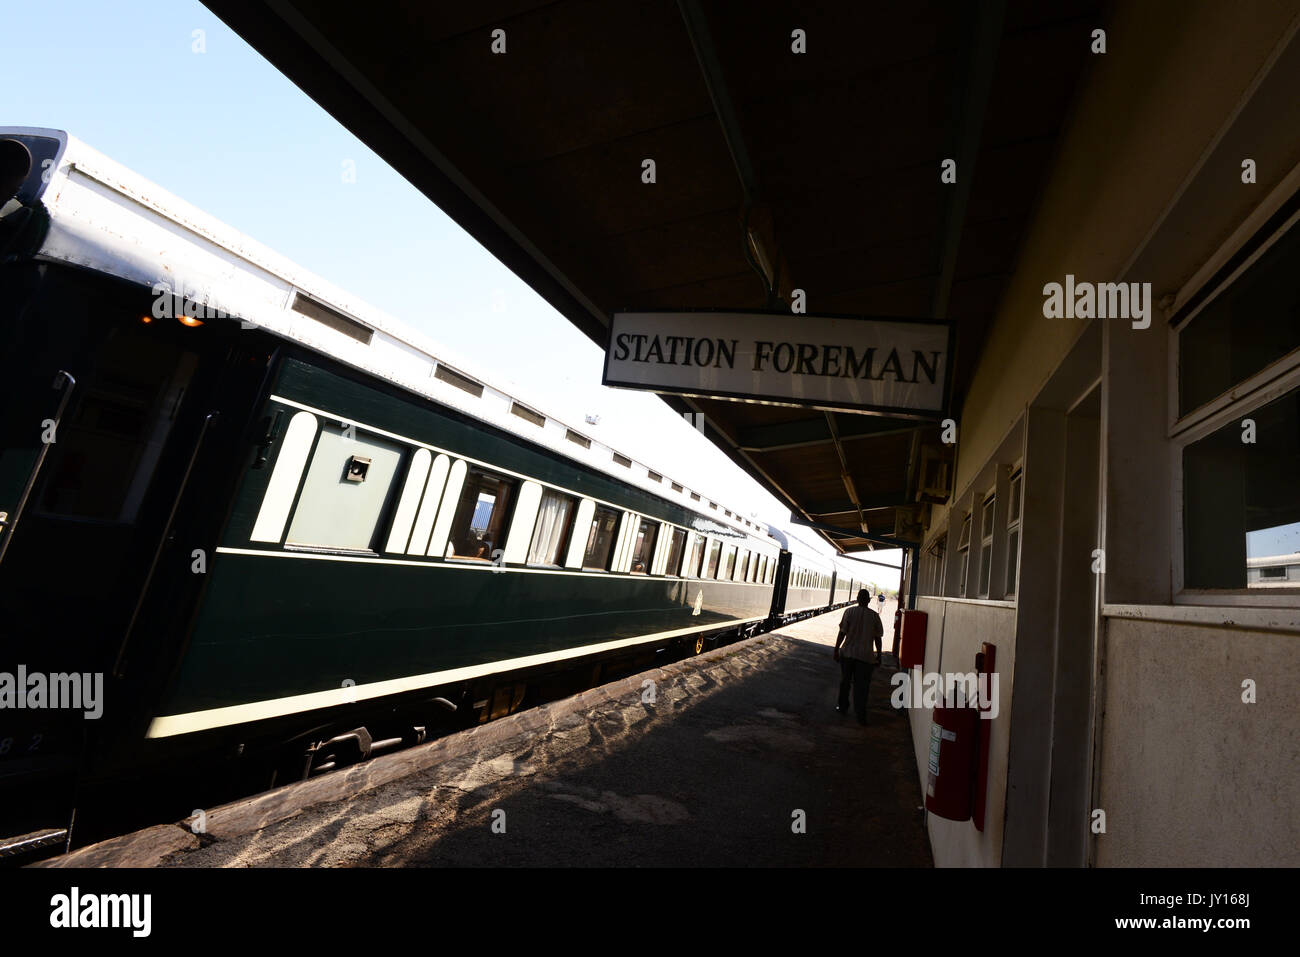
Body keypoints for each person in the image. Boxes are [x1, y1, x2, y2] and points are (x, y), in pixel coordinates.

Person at [833, 588, 883, 725]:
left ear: (857, 599)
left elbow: (842, 632)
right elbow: (878, 638)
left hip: (848, 654)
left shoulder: (849, 612)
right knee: (862, 687)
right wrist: (879, 655)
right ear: (868, 600)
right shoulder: (874, 616)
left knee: (845, 682)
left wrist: (836, 649)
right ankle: (860, 714)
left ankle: (842, 707)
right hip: (865, 657)